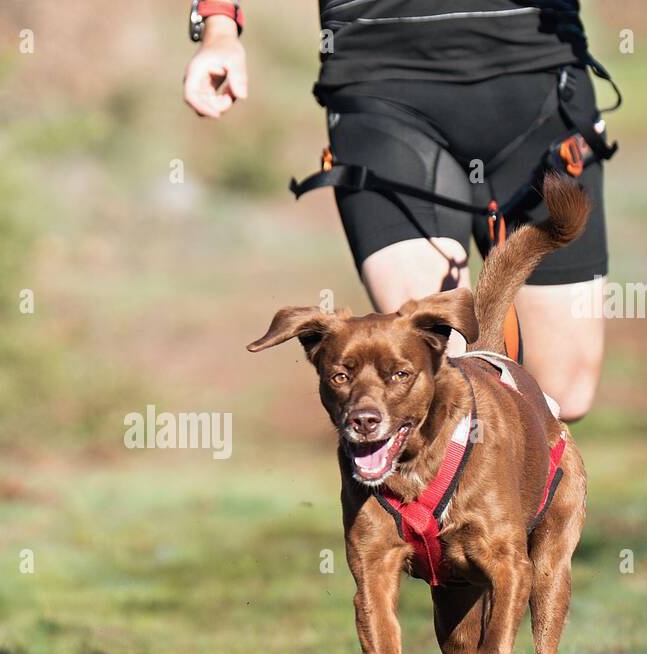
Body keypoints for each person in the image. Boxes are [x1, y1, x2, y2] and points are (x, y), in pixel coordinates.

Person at [183, 0, 617, 421]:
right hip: (381, 82)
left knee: (564, 393)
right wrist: (219, 29)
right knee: (448, 383)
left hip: (541, 77)